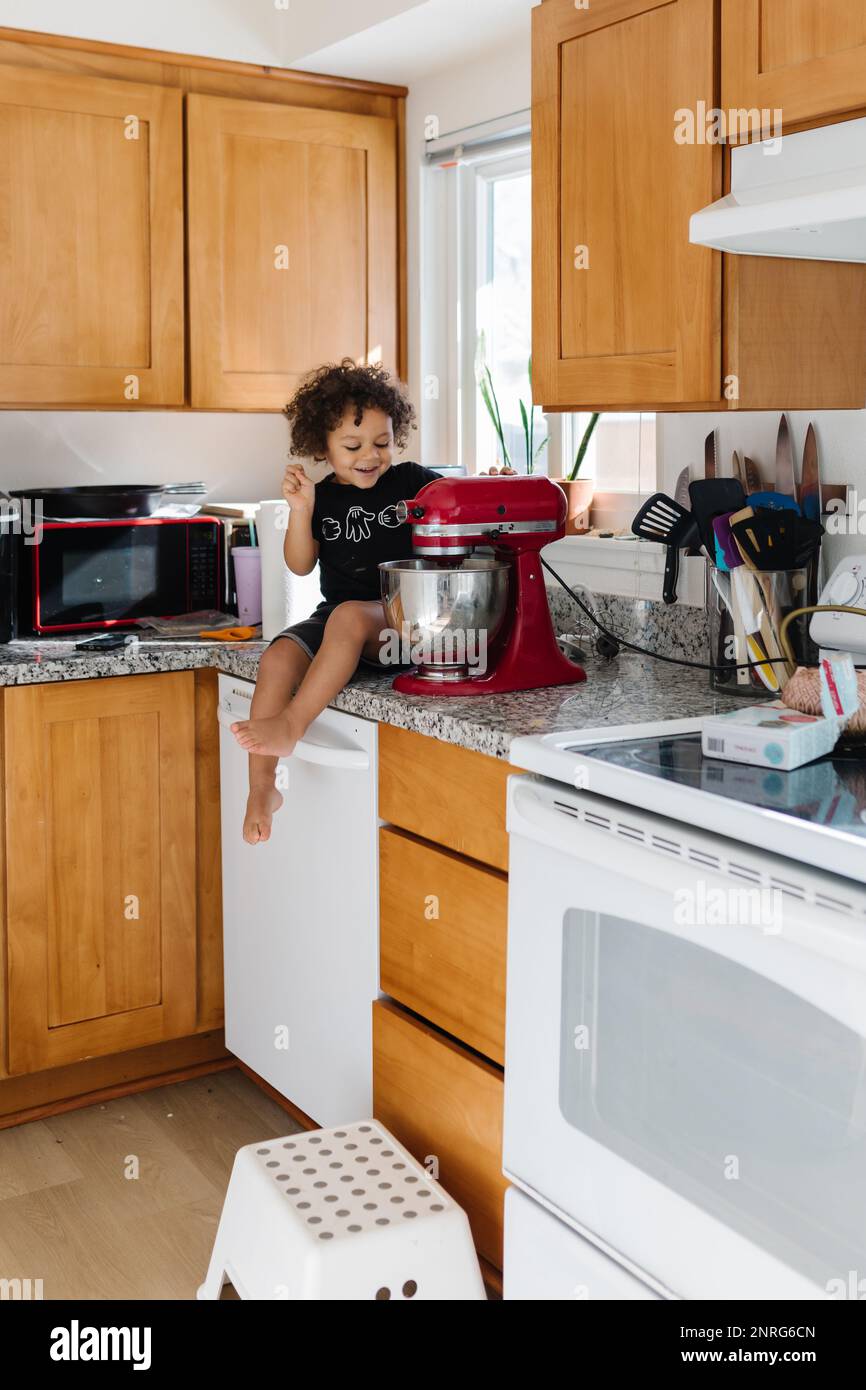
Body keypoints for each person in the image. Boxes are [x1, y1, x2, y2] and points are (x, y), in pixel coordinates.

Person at [232, 359, 440, 843]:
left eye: (382, 443)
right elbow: (301, 566)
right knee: (280, 655)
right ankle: (262, 787)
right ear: (322, 446)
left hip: (404, 618)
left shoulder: (411, 482)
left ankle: (292, 724)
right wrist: (301, 512)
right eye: (353, 445)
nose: (370, 455)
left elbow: (462, 505)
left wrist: (494, 481)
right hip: (341, 621)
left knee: (347, 616)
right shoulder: (321, 498)